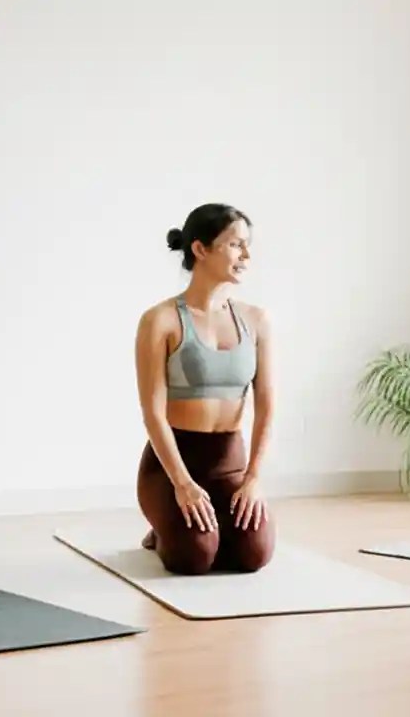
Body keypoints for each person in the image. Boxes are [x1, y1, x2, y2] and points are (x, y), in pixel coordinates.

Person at [133, 203, 275, 575]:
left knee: (253, 555)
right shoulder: (160, 320)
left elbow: (267, 407)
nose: (246, 255)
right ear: (200, 249)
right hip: (171, 467)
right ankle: (163, 529)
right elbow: (153, 413)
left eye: (247, 245)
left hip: (229, 464)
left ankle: (210, 528)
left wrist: (253, 479)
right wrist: (182, 484)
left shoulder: (256, 320)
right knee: (193, 558)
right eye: (235, 244)